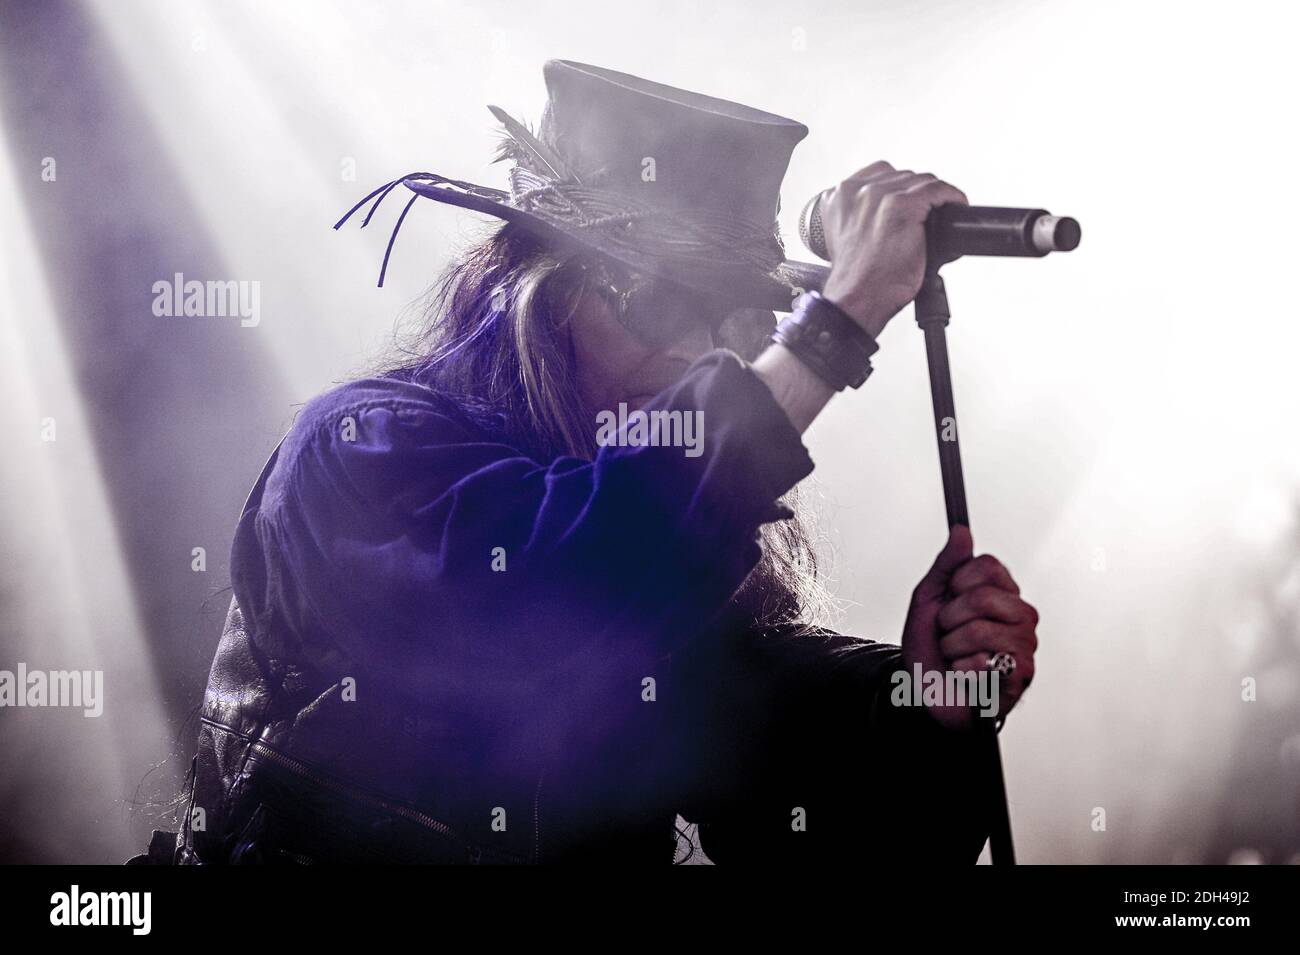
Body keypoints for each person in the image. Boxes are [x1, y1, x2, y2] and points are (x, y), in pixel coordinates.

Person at [166, 60, 1038, 865]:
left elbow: (810, 814)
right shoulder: (363, 450)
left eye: (739, 322)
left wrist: (924, 709)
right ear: (528, 286)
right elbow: (553, 596)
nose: (700, 353)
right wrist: (834, 328)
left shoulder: (674, 591)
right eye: (658, 301)